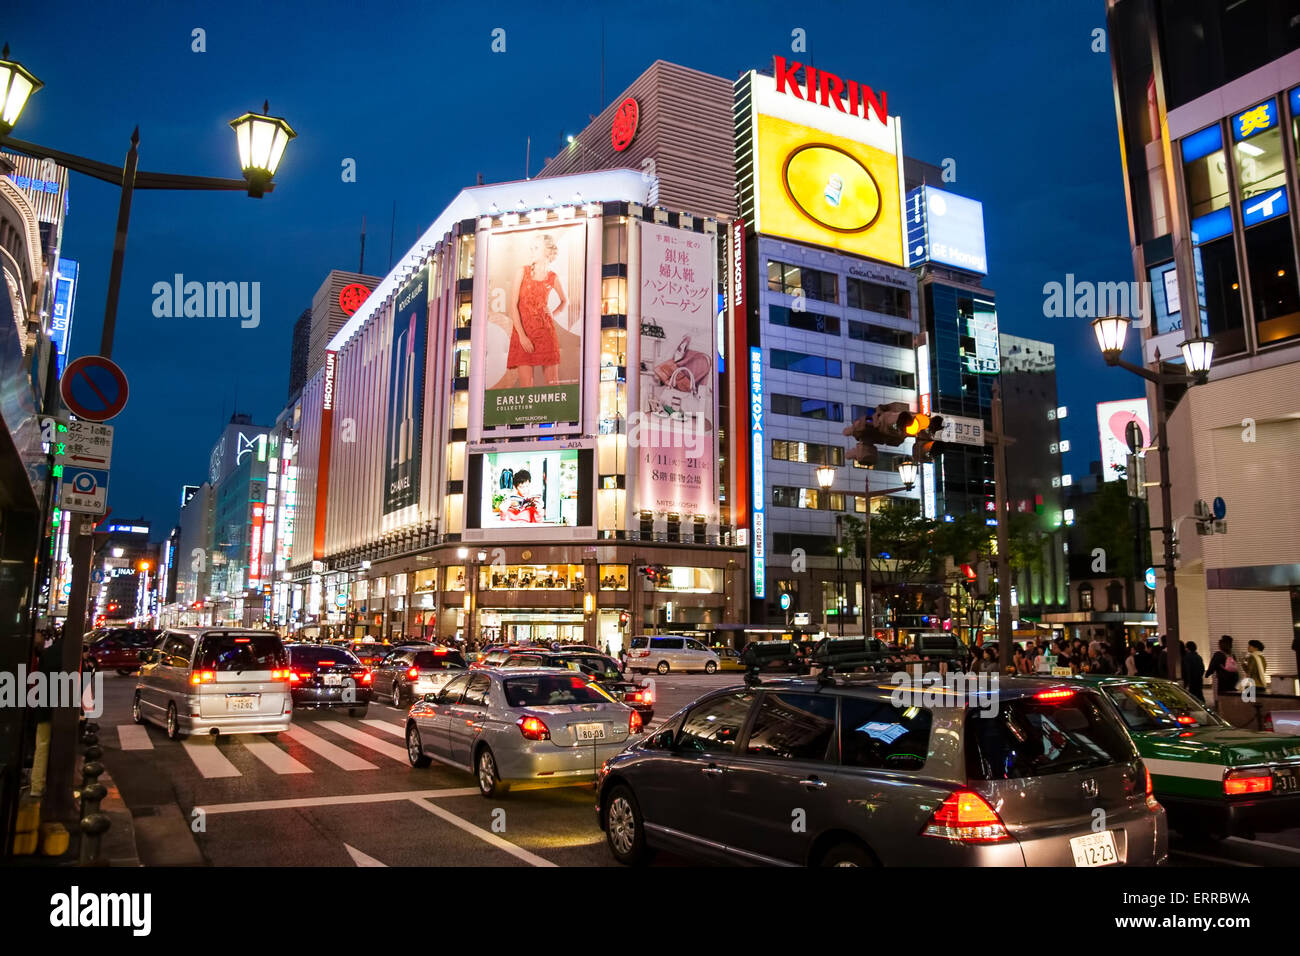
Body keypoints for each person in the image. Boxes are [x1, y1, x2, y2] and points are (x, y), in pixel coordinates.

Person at [505, 232, 567, 388]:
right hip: (523, 333)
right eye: (531, 248)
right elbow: (513, 305)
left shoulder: (552, 277)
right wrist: (522, 336)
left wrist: (552, 314)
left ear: (547, 251)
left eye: (536, 248)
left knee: (552, 384)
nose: (532, 251)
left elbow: (564, 301)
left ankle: (555, 413)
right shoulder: (523, 272)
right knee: (526, 385)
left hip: (545, 333)